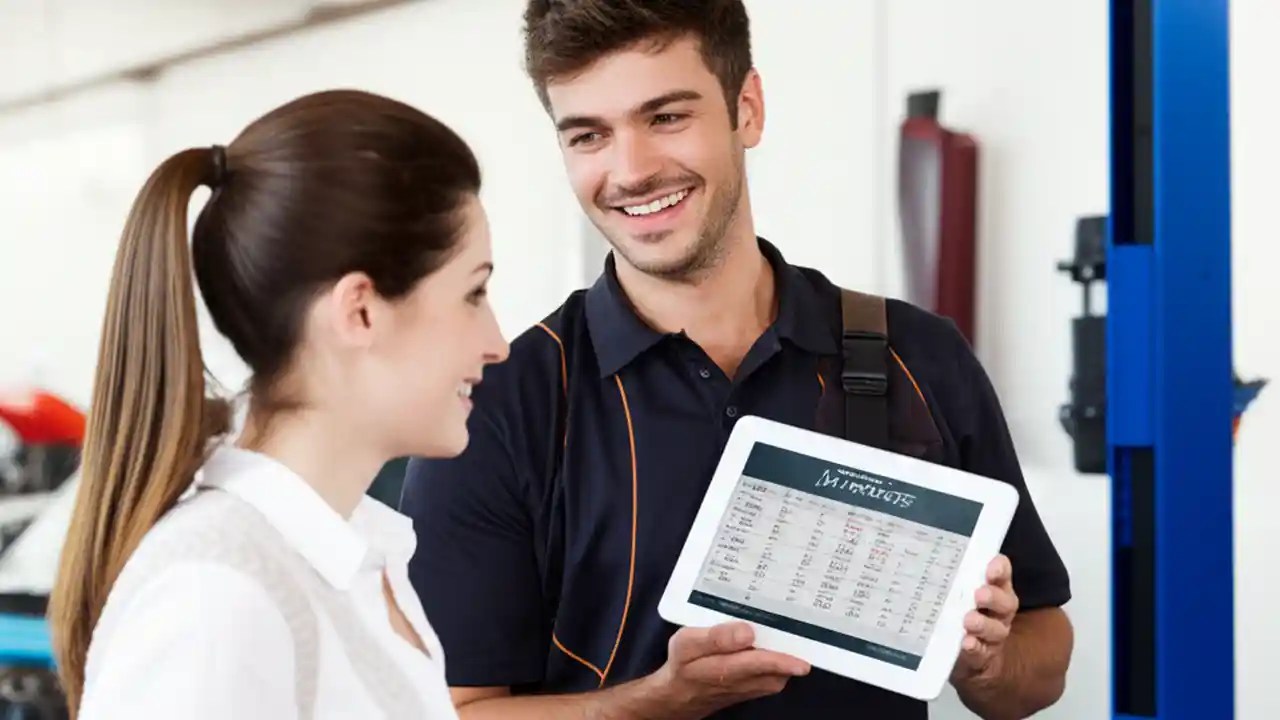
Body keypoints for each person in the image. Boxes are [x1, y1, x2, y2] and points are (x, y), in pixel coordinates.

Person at [399, 1, 1074, 719]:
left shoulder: (920, 356)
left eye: (666, 118)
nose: (631, 171)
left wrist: (988, 660)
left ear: (746, 109)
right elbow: (453, 711)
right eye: (589, 135)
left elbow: (1042, 648)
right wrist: (658, 702)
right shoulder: (499, 402)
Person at [47, 89, 509, 719]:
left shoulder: (360, 552)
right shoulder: (217, 598)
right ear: (360, 310)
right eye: (474, 294)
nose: (497, 344)